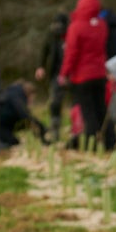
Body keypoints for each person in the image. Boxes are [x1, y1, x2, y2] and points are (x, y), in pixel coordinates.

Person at [58, 0, 108, 150]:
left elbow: (71, 53)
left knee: (88, 111)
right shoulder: (102, 25)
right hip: (100, 74)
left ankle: (92, 144)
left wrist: (64, 73)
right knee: (101, 109)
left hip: (83, 76)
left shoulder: (76, 27)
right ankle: (109, 141)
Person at [34, 10, 69, 142]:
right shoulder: (51, 36)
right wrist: (40, 66)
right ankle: (55, 130)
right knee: (54, 102)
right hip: (55, 73)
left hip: (71, 74)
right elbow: (44, 50)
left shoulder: (72, 35)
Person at [0, 80, 50, 148]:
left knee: (29, 125)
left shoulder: (14, 92)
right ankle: (43, 140)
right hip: (1, 127)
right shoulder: (16, 96)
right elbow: (24, 115)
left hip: (5, 124)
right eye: (32, 98)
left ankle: (42, 140)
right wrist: (41, 127)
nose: (32, 101)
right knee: (14, 142)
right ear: (29, 94)